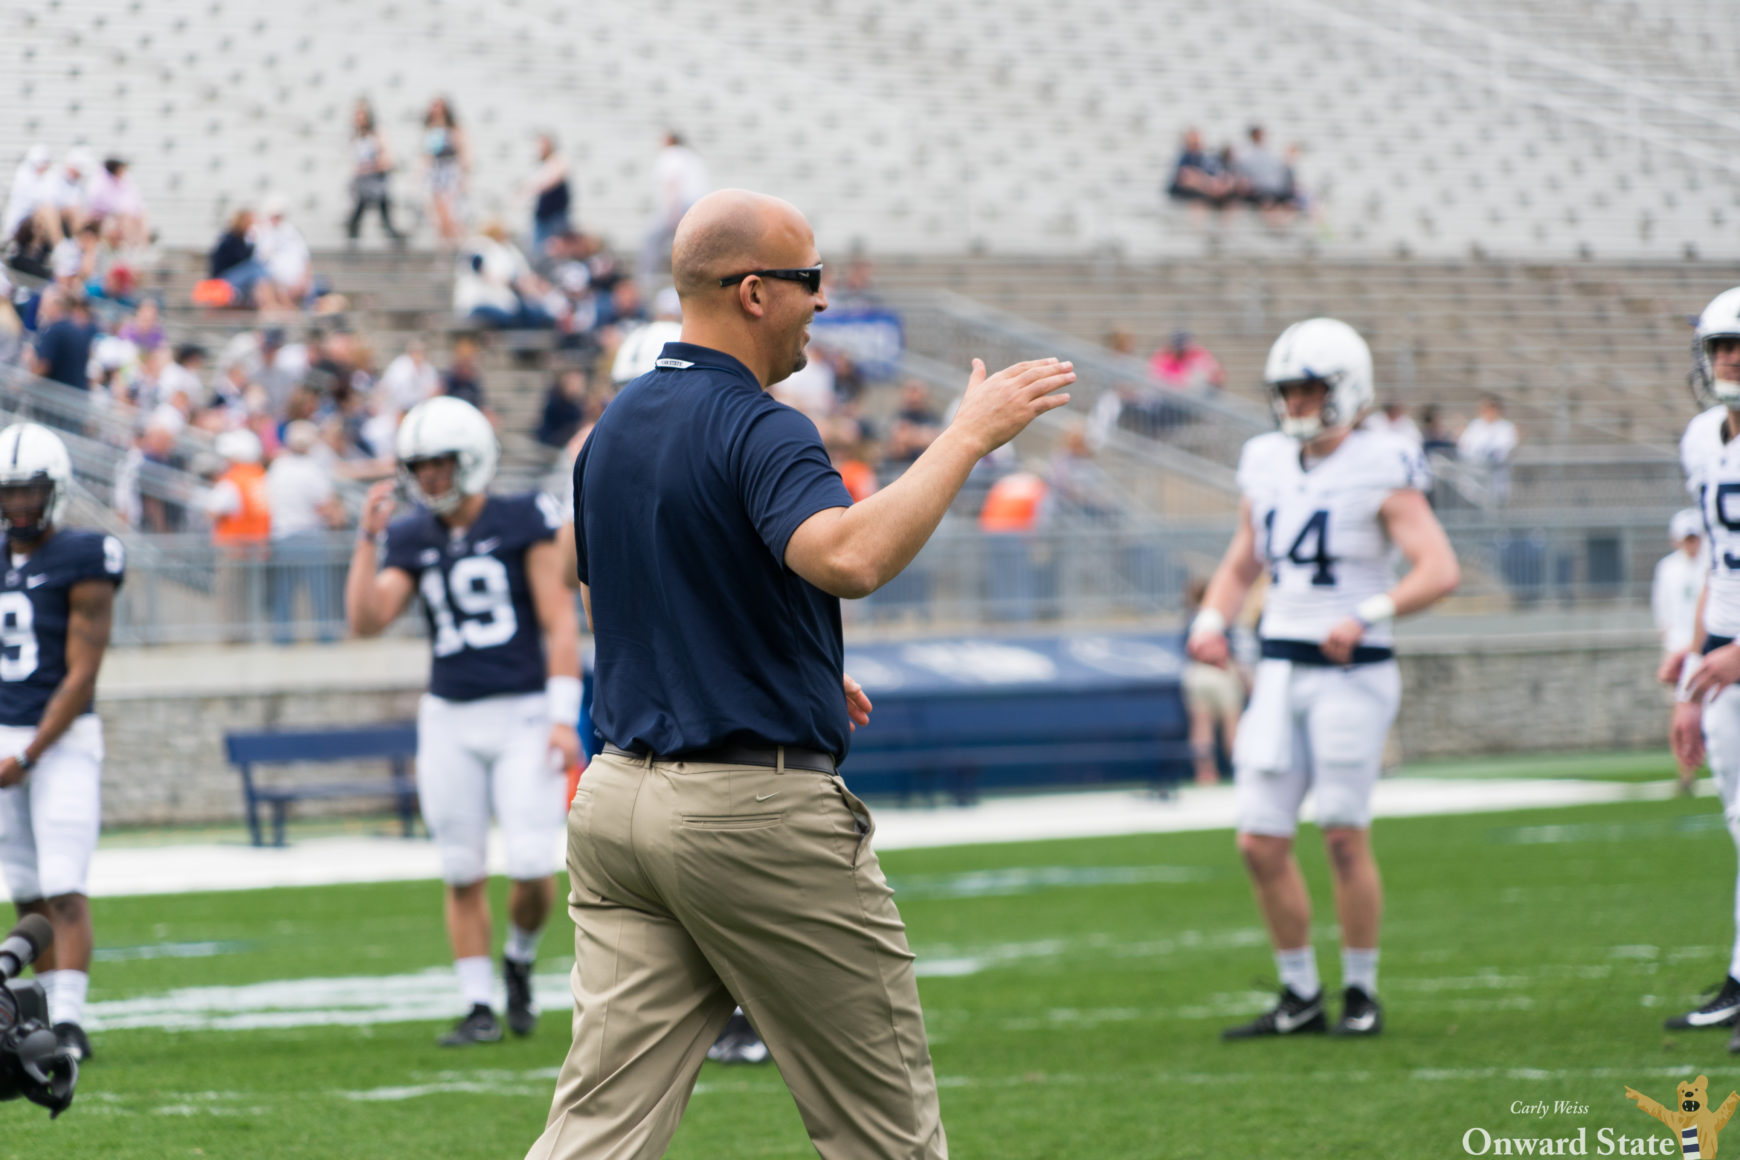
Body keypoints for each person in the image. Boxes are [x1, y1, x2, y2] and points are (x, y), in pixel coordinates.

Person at [528, 186, 1074, 1159]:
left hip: (618, 804)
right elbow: (847, 558)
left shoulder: (611, 427)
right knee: (887, 1133)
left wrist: (790, 665)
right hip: (751, 812)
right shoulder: (764, 423)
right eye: (810, 279)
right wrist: (967, 436)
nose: (823, 301)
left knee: (596, 1134)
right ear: (753, 292)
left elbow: (629, 598)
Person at [1187, 317, 1459, 1040]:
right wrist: (1211, 620)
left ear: (1347, 390)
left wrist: (1369, 612)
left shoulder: (1383, 460)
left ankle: (1362, 993)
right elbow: (1246, 555)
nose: (1297, 403)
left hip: (1351, 673)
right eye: (1288, 390)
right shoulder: (1265, 459)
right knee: (1259, 841)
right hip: (1279, 668)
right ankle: (1300, 994)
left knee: (1343, 833)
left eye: (1310, 389)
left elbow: (1439, 569)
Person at [346, 396, 580, 1047]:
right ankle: (478, 1004)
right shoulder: (414, 534)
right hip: (448, 714)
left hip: (523, 712)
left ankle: (521, 958)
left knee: (535, 866)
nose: (427, 478)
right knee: (460, 867)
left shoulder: (521, 518)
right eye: (419, 467)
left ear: (471, 460)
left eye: (439, 464)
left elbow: (560, 621)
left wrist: (564, 719)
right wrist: (367, 539)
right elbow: (366, 621)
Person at [0, 423, 126, 1062]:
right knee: (25, 888)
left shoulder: (84, 555)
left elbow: (84, 671)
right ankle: (42, 1019)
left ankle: (72, 1021)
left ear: (56, 490)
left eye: (31, 491)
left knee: (64, 884)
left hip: (62, 736)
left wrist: (29, 752)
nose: (19, 504)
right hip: (3, 738)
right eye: (9, 492)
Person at [1661, 286, 1740, 1047]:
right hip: (1723, 652)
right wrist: (1696, 663)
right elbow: (1719, 563)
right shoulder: (1700, 439)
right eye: (1721, 347)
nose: (1730, 360)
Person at [267, 420, 346, 644]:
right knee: (319, 591)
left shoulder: (278, 468)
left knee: (284, 591)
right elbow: (326, 506)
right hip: (310, 536)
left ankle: (282, 638)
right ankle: (325, 636)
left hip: (282, 536)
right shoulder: (312, 470)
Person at [1655, 508, 1707, 792]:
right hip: (1679, 651)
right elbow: (1662, 611)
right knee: (1681, 714)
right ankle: (1686, 772)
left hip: (1707, 649)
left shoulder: (1710, 565)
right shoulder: (1667, 569)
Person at [637, 130, 708, 286]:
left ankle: (648, 279)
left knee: (651, 239)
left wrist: (673, 213)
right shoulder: (692, 157)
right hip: (699, 207)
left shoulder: (671, 155)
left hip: (680, 206)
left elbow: (673, 183)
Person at [348, 100, 403, 244]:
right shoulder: (357, 135)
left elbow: (386, 159)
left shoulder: (377, 133)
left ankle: (393, 237)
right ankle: (353, 236)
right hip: (363, 180)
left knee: (380, 208)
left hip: (375, 178)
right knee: (362, 208)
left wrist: (369, 167)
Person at [1457, 395, 1520, 507]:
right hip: (1476, 477)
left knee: (1496, 507)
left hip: (1496, 477)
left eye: (1491, 408)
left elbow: (1505, 450)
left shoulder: (1505, 427)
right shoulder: (1475, 426)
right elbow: (1464, 447)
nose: (1489, 411)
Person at [422, 97, 468, 247]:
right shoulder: (431, 129)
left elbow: (462, 152)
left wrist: (464, 175)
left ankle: (460, 246)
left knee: (451, 214)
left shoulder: (453, 129)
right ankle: (444, 248)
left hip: (450, 171)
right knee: (438, 216)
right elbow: (427, 155)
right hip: (436, 172)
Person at [28, 291, 95, 391]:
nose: (42, 310)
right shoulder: (80, 331)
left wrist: (26, 382)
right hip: (75, 394)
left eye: (45, 306)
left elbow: (43, 365)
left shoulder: (55, 330)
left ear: (55, 307)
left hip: (54, 395)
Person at [524, 133, 571, 252]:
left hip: (554, 216)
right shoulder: (542, 165)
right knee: (539, 249)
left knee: (554, 249)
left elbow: (551, 180)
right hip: (543, 215)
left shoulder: (557, 161)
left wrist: (536, 186)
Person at [1149, 330, 1225, 393]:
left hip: (1195, 395)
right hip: (1171, 397)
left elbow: (1216, 373)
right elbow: (1156, 377)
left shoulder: (1197, 353)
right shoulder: (1164, 356)